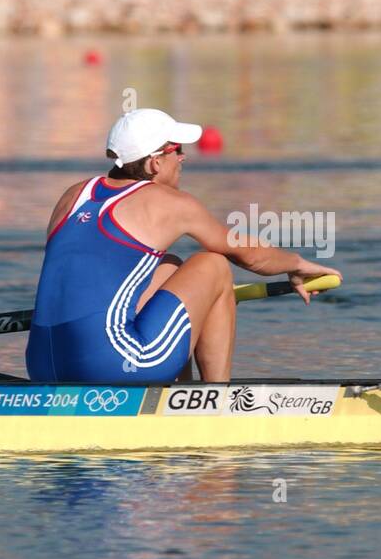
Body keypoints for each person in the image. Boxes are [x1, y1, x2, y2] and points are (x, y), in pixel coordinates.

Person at [26, 108, 341, 383]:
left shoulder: (73, 195)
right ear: (154, 164)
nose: (183, 157)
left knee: (169, 267)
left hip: (43, 364)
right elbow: (248, 255)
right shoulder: (169, 203)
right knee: (214, 266)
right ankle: (213, 402)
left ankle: (174, 396)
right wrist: (296, 264)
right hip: (112, 364)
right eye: (175, 149)